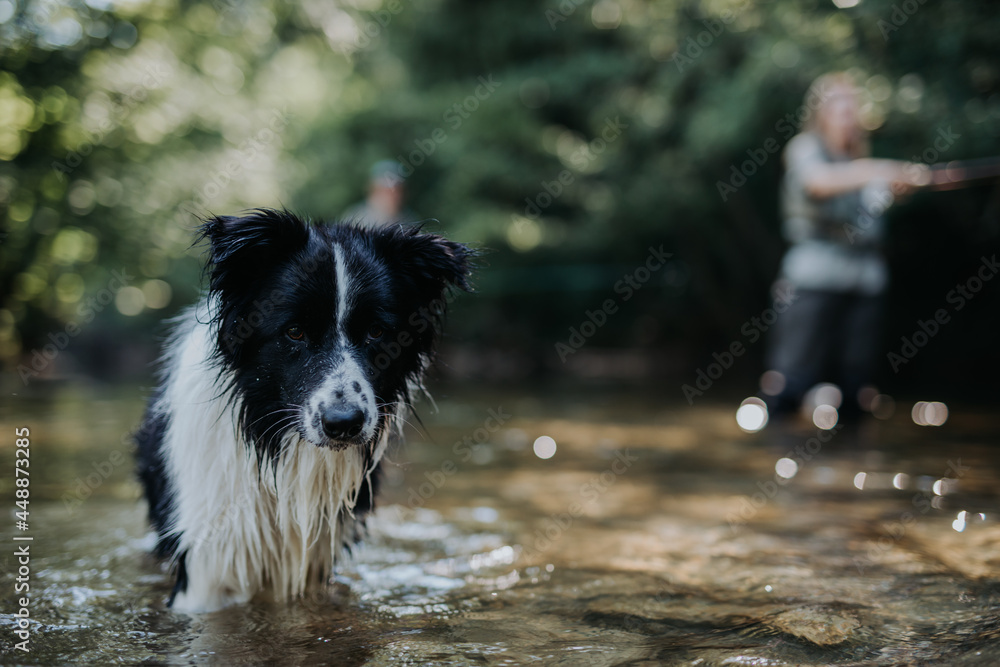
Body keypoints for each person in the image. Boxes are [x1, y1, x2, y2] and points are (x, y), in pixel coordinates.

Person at [763, 72, 929, 420]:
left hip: (865, 282)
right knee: (790, 384)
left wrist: (895, 187)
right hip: (812, 278)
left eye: (853, 105)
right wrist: (882, 170)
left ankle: (853, 462)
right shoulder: (806, 149)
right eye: (839, 104)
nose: (848, 112)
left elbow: (872, 210)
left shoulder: (861, 163)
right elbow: (818, 182)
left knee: (857, 391)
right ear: (822, 113)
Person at [342, 160, 417, 227]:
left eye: (398, 190)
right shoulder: (355, 218)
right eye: (387, 190)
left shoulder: (410, 219)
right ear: (373, 190)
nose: (393, 196)